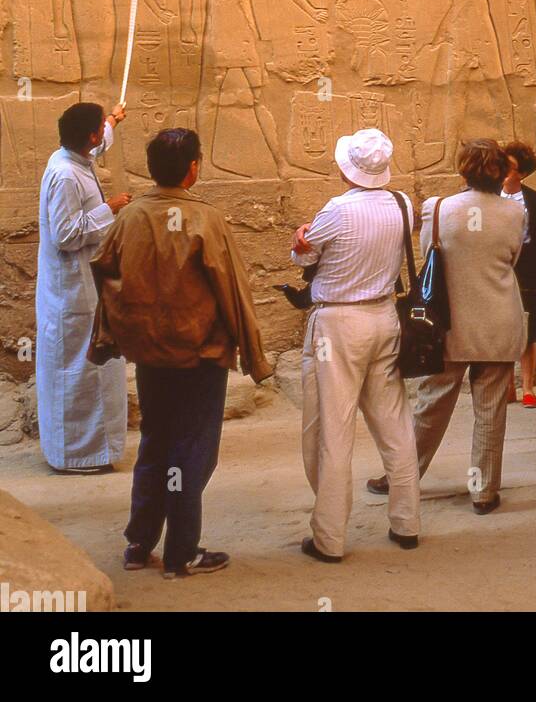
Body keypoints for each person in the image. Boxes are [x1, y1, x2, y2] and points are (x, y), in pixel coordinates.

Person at [88, 128, 272, 578]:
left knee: (156, 441)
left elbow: (105, 273)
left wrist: (119, 331)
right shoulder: (206, 220)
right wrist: (253, 353)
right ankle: (181, 553)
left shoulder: (130, 216)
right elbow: (232, 291)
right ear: (193, 168)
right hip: (199, 355)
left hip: (151, 355)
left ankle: (138, 543)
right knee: (192, 451)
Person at [368, 139, 524, 515]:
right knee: (490, 410)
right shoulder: (515, 213)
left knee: (430, 405)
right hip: (498, 320)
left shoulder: (437, 209)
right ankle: (483, 490)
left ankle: (402, 476)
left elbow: (430, 257)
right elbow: (513, 256)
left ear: (462, 169)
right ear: (502, 171)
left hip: (447, 324)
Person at [292, 128, 421, 562]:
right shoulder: (401, 204)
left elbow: (306, 256)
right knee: (394, 423)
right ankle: (406, 522)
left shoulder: (337, 209)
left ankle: (329, 536)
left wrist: (300, 241)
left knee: (333, 427)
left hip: (339, 322)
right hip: (383, 315)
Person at [36, 101, 131, 473]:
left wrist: (112, 122)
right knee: (77, 369)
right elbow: (65, 235)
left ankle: (96, 450)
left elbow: (98, 145)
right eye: (99, 130)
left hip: (86, 288)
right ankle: (75, 453)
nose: (101, 137)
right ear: (88, 136)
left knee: (95, 367)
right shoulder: (63, 175)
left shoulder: (76, 158)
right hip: (72, 291)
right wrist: (110, 208)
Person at [501, 140, 536, 409]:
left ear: (521, 173)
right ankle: (507, 386)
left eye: (509, 168)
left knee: (529, 331)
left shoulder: (534, 201)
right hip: (499, 270)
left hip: (527, 272)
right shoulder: (488, 197)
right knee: (502, 331)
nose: (502, 172)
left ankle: (528, 386)